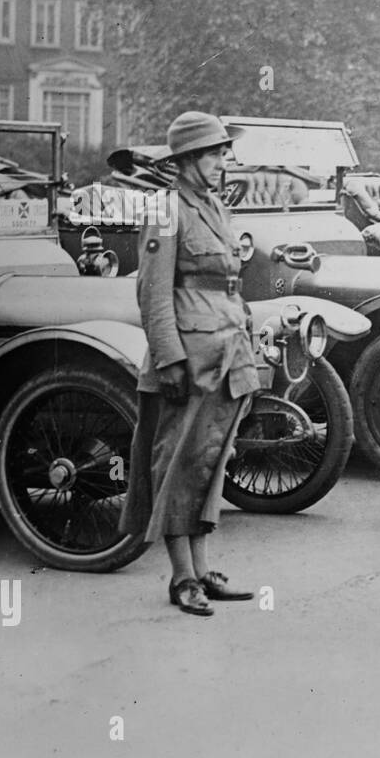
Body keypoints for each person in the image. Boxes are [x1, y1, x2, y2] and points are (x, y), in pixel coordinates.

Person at [120, 111, 259, 618]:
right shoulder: (165, 210)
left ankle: (203, 570)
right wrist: (169, 358)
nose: (223, 161)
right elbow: (152, 293)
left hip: (226, 347)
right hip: (189, 353)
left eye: (224, 152)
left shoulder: (217, 208)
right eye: (214, 153)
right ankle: (182, 577)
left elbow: (229, 283)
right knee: (179, 462)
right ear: (186, 160)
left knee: (209, 461)